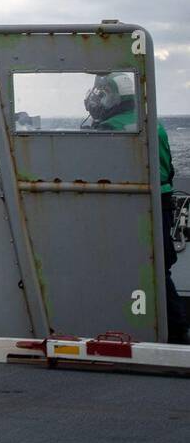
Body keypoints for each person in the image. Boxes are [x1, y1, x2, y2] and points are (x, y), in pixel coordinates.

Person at [84, 72, 187, 343]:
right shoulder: (154, 123)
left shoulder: (107, 130)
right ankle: (176, 333)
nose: (97, 98)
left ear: (116, 97)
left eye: (102, 92)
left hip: (125, 206)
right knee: (159, 270)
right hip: (160, 203)